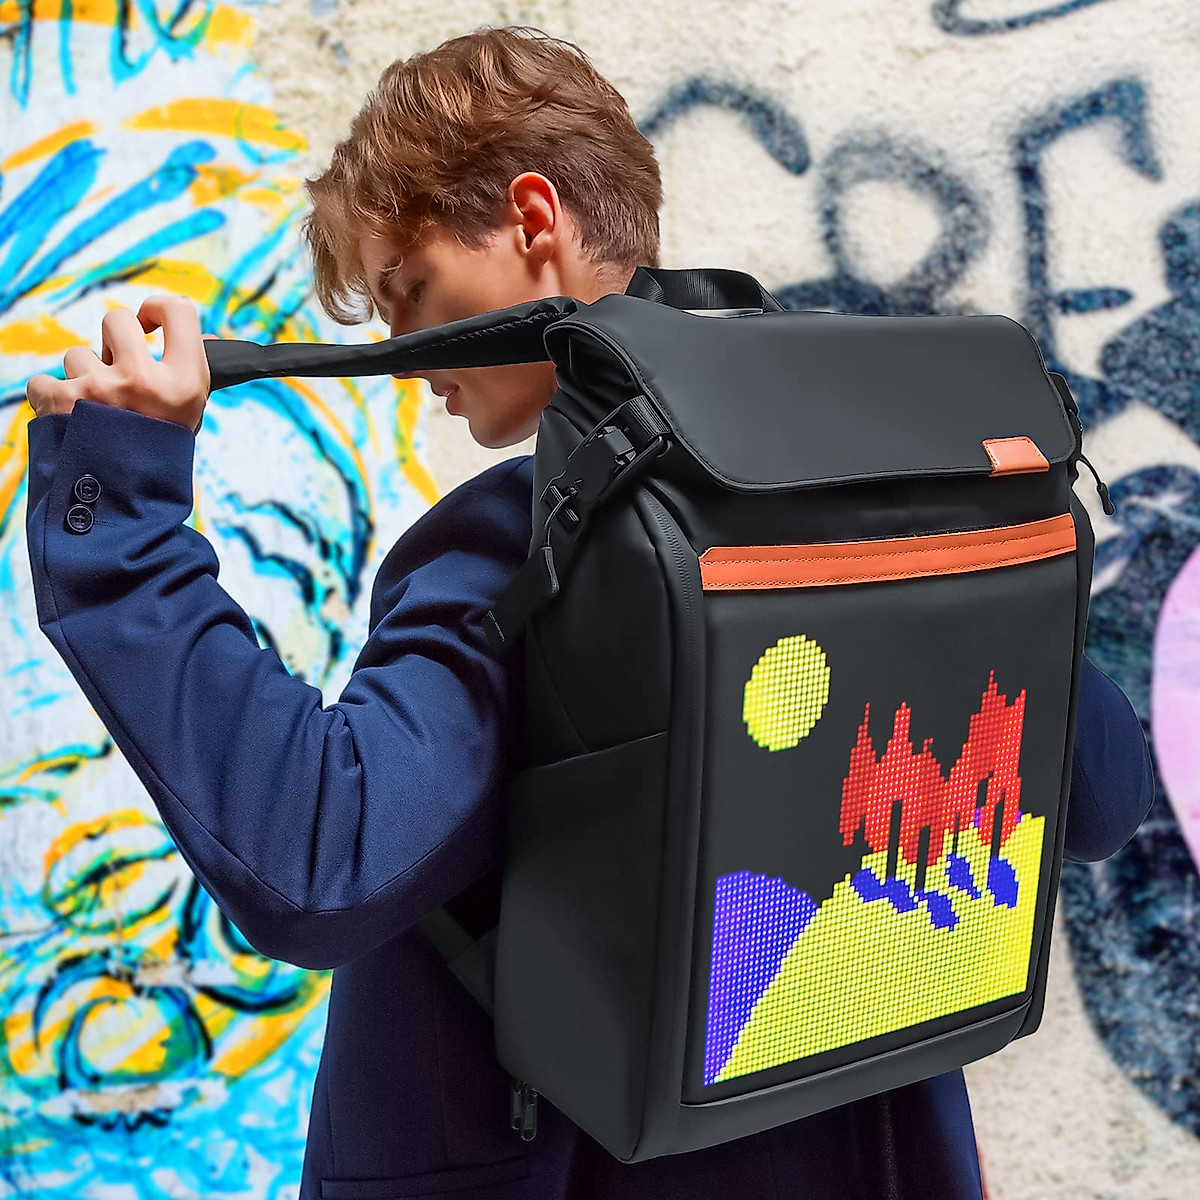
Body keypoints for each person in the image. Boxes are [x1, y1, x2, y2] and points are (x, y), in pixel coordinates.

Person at [23, 24, 1154, 1200]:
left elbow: (321, 859)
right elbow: (1101, 801)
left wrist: (123, 525)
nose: (405, 355)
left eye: (409, 290)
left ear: (532, 220)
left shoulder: (530, 542)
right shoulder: (875, 485)